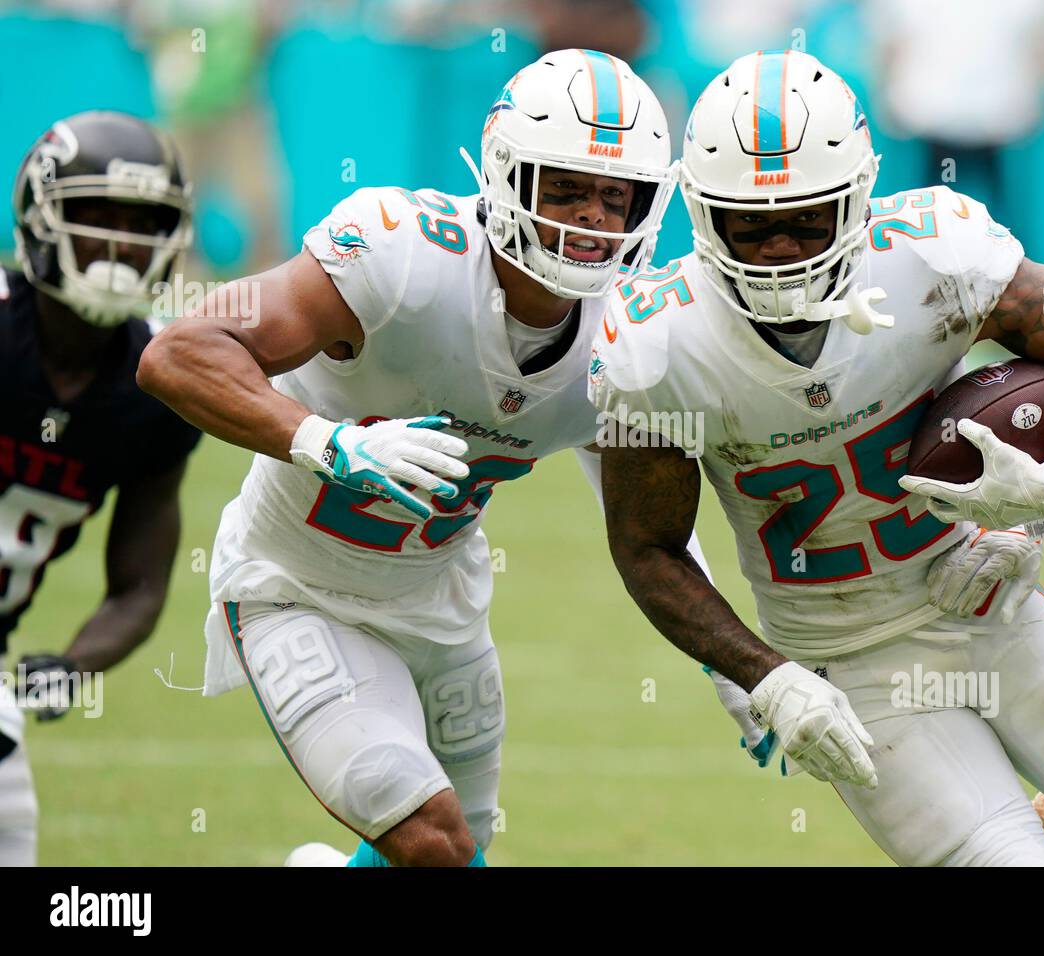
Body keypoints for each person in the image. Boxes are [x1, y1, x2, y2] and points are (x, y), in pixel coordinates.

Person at [591, 49, 1044, 866]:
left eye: (807, 218)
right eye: (751, 223)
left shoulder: (934, 254)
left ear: (858, 199)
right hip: (851, 656)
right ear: (702, 213)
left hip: (989, 595)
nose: (781, 248)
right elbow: (647, 546)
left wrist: (1043, 493)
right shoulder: (659, 343)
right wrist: (766, 675)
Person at [138, 49, 679, 866]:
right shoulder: (399, 256)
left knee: (452, 851)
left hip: (443, 610)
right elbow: (178, 351)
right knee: (435, 844)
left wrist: (735, 676)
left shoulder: (629, 332)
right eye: (564, 187)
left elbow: (650, 528)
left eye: (615, 196)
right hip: (298, 588)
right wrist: (329, 443)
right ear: (506, 175)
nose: (590, 218)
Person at [0, 110, 200, 865]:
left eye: (139, 222)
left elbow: (139, 589)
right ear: (41, 218)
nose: (119, 243)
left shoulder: (159, 382)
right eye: (94, 216)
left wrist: (71, 666)